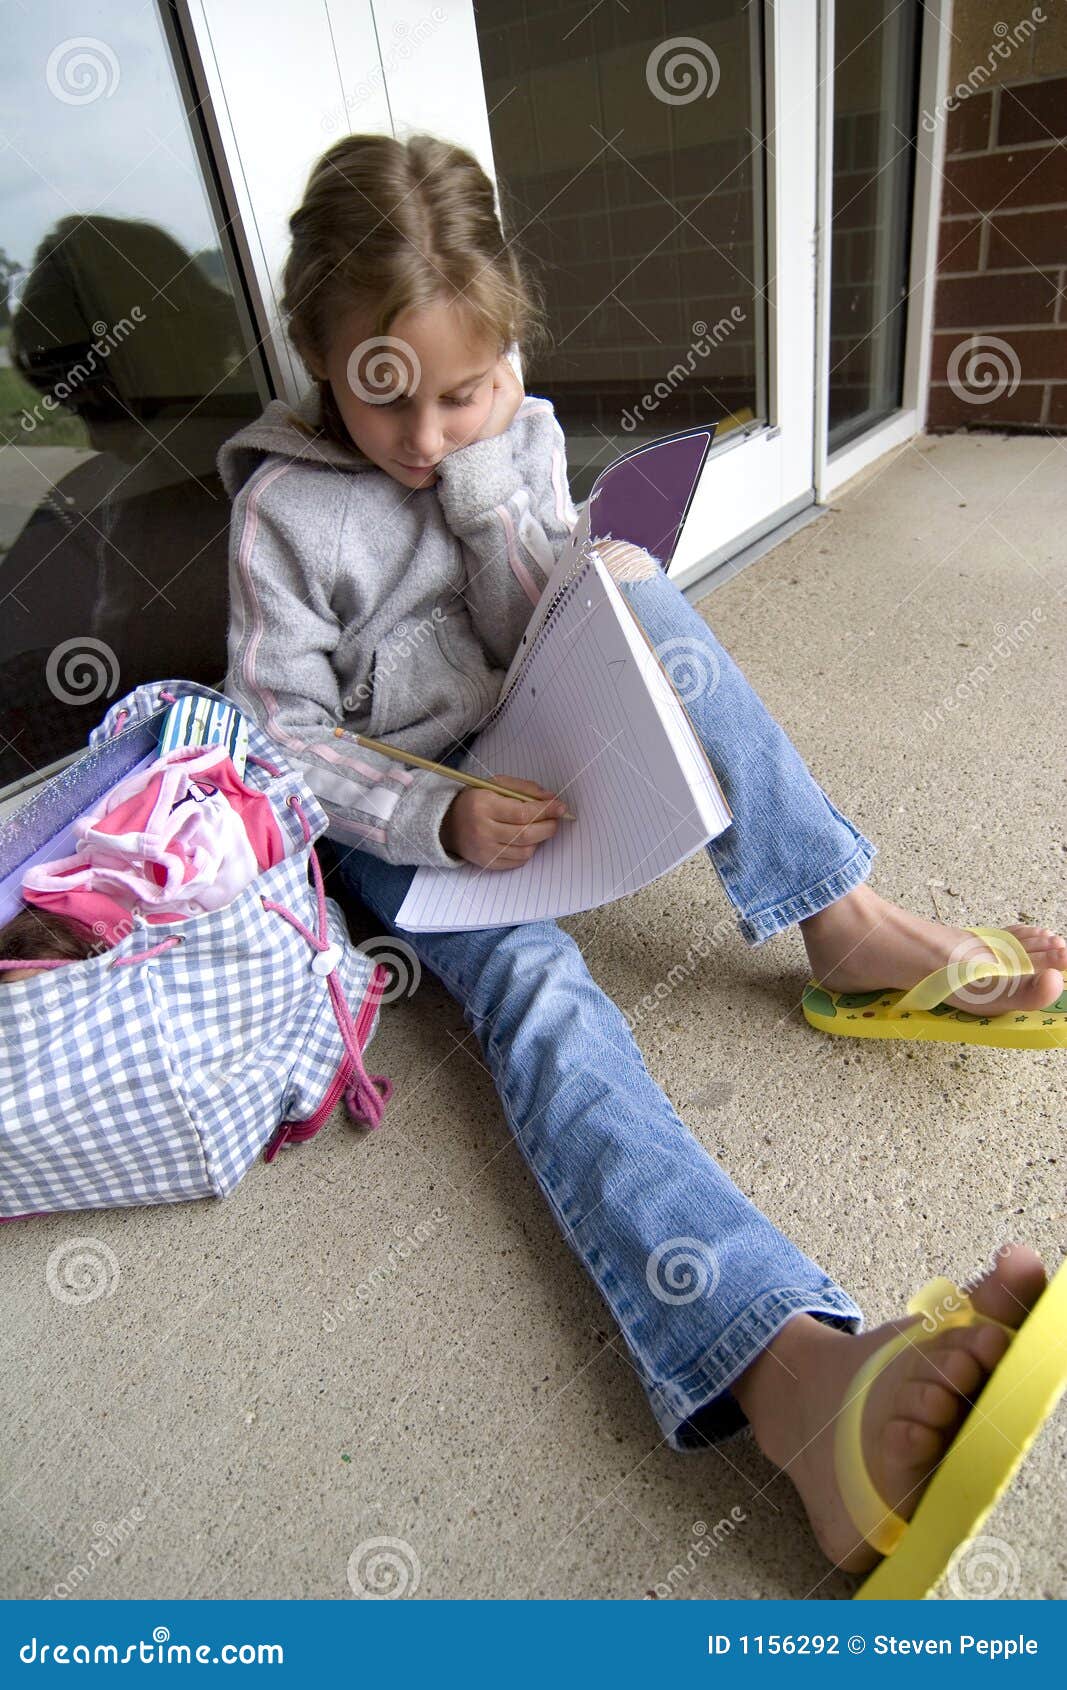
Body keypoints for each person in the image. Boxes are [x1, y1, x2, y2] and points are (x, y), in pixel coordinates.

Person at [217, 131, 1065, 1581]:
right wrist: (434, 818)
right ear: (317, 356)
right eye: (385, 393)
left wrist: (499, 498)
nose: (427, 435)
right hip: (403, 825)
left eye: (467, 391)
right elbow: (276, 737)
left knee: (638, 592)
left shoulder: (516, 438)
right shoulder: (281, 516)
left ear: (511, 353)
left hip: (540, 742)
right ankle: (789, 1374)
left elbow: (541, 613)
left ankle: (845, 921)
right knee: (544, 995)